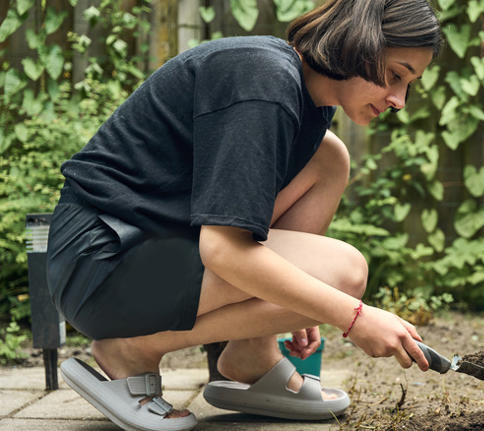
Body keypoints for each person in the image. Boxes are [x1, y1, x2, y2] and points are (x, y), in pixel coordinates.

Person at [47, 0, 442, 429]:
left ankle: (253, 352)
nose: (399, 100)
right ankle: (133, 349)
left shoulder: (307, 99)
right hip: (101, 261)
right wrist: (351, 315)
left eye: (409, 85)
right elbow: (224, 250)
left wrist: (293, 301)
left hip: (148, 245)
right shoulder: (263, 81)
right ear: (358, 43)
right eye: (396, 75)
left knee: (329, 158)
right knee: (343, 274)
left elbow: (241, 218)